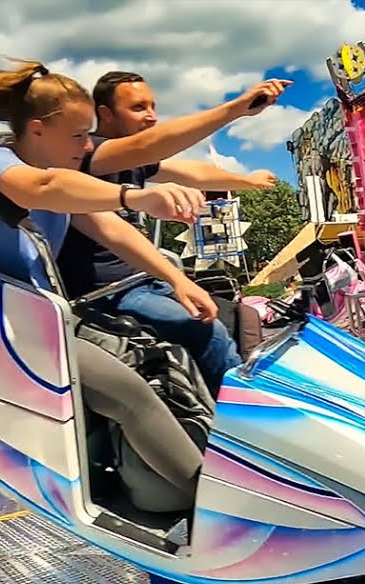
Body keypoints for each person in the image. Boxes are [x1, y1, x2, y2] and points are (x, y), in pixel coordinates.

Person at [0, 59, 217, 511]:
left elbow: (110, 228)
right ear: (38, 130)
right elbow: (41, 186)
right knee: (131, 397)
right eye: (77, 135)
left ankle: (212, 473)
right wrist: (135, 196)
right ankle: (214, 507)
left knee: (161, 358)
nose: (88, 145)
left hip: (38, 316)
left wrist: (177, 279)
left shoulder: (62, 182)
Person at [56, 71, 291, 392]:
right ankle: (247, 410)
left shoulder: (133, 161)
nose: (151, 116)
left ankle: (229, 398)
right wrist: (235, 109)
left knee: (243, 317)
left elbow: (193, 172)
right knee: (209, 331)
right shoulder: (88, 154)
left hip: (144, 281)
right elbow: (149, 147)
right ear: (105, 115)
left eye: (153, 106)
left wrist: (247, 181)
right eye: (138, 108)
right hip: (107, 294)